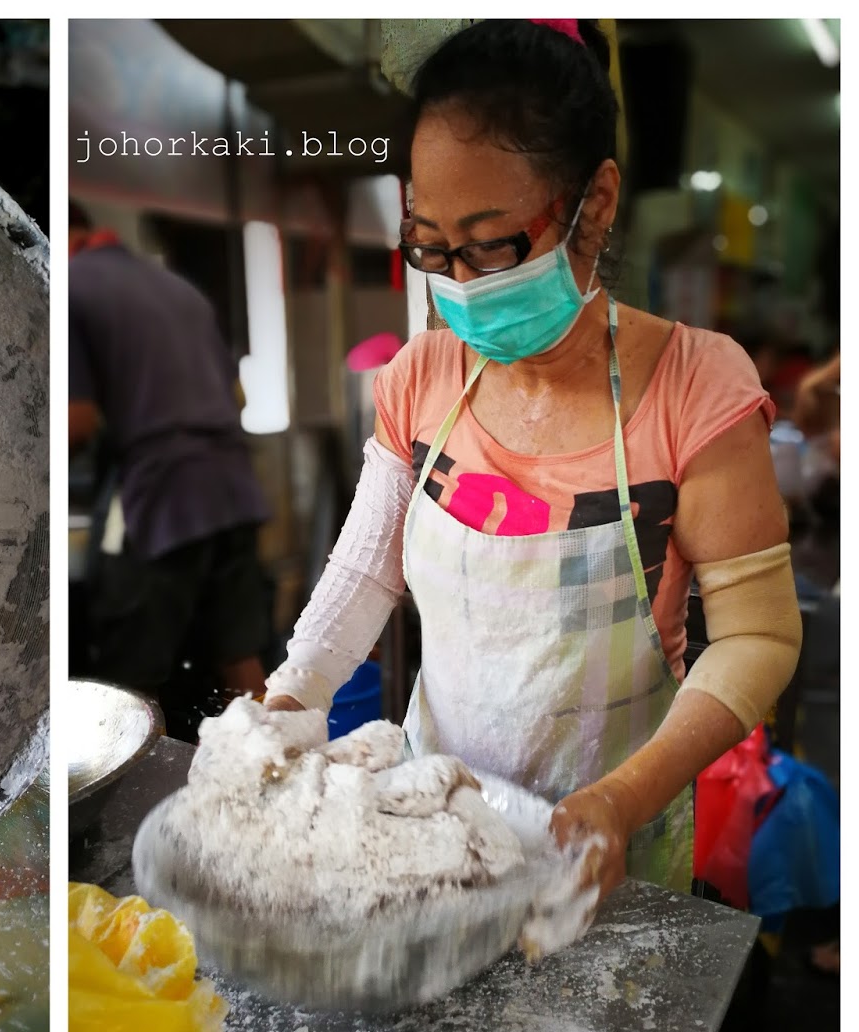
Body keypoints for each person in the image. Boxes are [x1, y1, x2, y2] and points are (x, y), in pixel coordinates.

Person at [265, 19, 801, 911]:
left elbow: (759, 637)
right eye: (431, 245)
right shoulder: (421, 377)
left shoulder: (695, 385)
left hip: (609, 853)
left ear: (597, 202)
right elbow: (365, 572)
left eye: (489, 244)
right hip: (435, 833)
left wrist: (621, 801)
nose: (461, 282)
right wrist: (291, 698)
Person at [69, 203, 273, 710]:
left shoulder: (72, 286)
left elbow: (77, 420)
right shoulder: (180, 289)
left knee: (129, 677)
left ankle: (137, 763)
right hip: (233, 489)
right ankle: (273, 752)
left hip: (159, 499)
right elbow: (237, 395)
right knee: (239, 655)